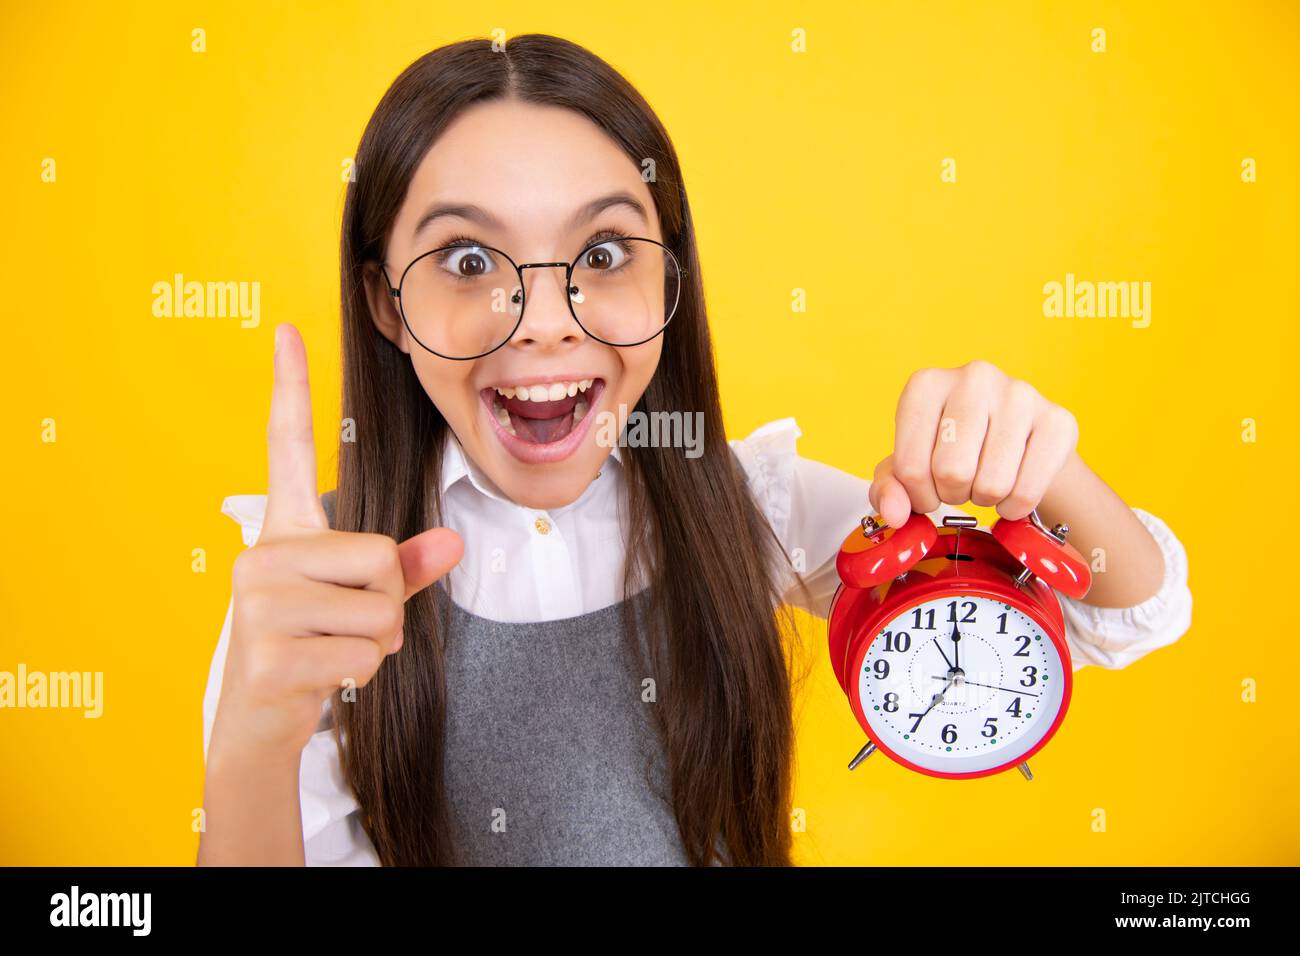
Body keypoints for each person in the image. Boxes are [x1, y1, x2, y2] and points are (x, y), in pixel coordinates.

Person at [198, 34, 1192, 867]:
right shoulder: (307, 589)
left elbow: (1124, 614)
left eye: (601, 252)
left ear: (670, 278)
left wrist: (1039, 466)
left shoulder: (743, 504)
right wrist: (252, 735)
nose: (543, 320)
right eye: (467, 260)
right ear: (386, 304)